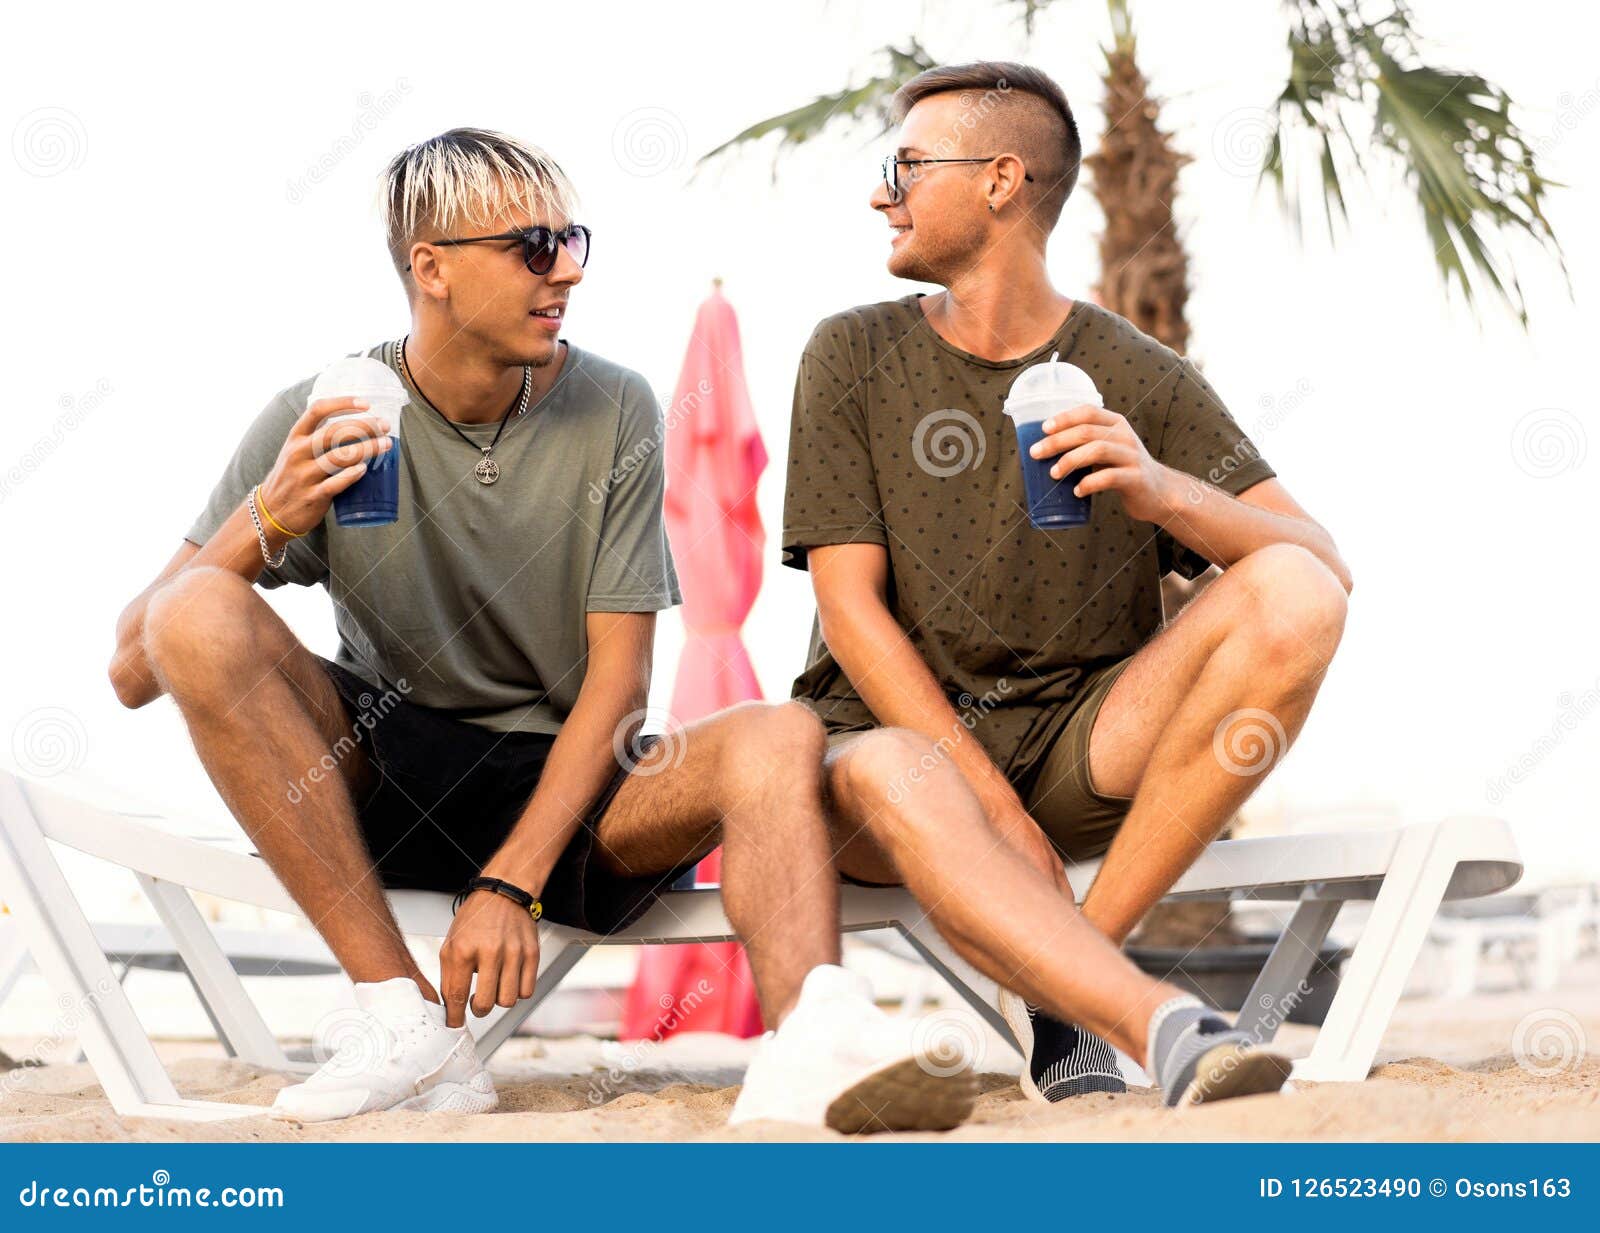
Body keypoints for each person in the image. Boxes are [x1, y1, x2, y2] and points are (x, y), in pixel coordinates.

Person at [109, 128, 975, 1133]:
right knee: (199, 604)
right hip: (385, 773)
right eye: (531, 247)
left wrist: (510, 885)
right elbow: (137, 662)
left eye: (571, 240)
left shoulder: (614, 406)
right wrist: (266, 516)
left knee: (781, 731)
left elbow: (620, 685)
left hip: (577, 789)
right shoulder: (325, 412)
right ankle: (399, 1019)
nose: (565, 270)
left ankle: (808, 1045)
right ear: (431, 268)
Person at [784, 63, 1351, 1105]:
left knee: (1294, 591)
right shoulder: (851, 352)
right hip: (887, 762)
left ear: (1000, 181)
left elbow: (1320, 563)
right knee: (892, 767)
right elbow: (847, 608)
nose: (880, 194)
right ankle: (1101, 997)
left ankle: (1069, 988)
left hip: (1080, 759)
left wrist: (1164, 490)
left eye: (905, 168)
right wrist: (995, 812)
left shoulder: (1138, 373)